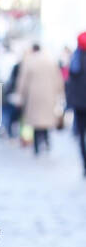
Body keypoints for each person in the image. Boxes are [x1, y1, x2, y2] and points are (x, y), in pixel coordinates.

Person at [15, 43, 65, 154]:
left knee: (35, 120)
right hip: (49, 94)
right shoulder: (50, 61)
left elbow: (22, 80)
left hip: (34, 95)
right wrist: (60, 92)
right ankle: (46, 141)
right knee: (46, 119)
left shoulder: (29, 61)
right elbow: (58, 78)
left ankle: (37, 145)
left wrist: (20, 95)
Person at [67, 33, 86, 175]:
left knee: (81, 135)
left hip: (79, 104)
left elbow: (71, 81)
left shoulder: (76, 58)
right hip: (79, 103)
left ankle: (85, 164)